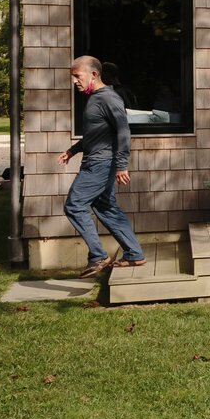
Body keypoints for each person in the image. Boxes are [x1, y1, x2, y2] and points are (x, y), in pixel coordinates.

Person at [58, 55, 146, 277]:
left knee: (74, 205)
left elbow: (123, 131)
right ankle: (134, 254)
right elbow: (95, 135)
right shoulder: (95, 98)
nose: (74, 81)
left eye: (77, 76)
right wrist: (73, 150)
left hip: (100, 164)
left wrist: (121, 165)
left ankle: (98, 256)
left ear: (94, 74)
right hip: (96, 160)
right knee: (106, 207)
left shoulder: (109, 98)